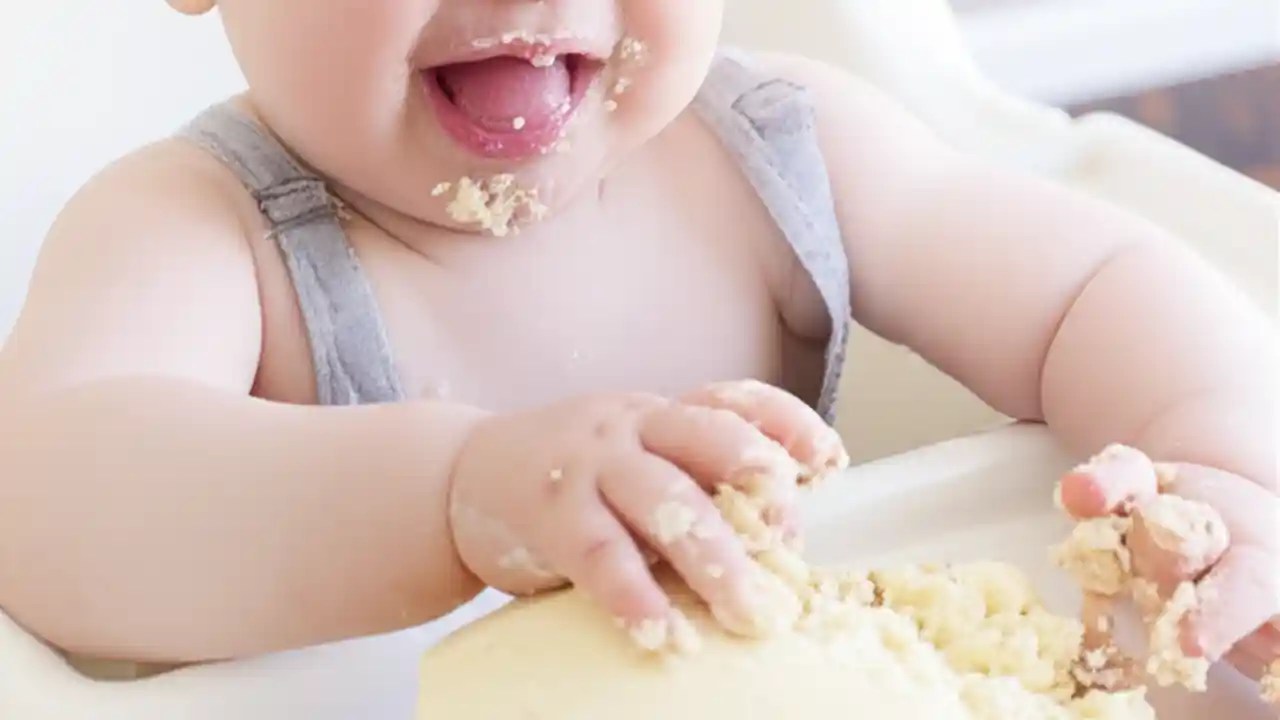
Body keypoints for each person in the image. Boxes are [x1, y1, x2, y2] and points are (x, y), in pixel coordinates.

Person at [0, 0, 1273, 688]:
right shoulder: (198, 231)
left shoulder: (779, 150)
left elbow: (1093, 282)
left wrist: (1223, 463)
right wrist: (453, 498)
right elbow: (45, 507)